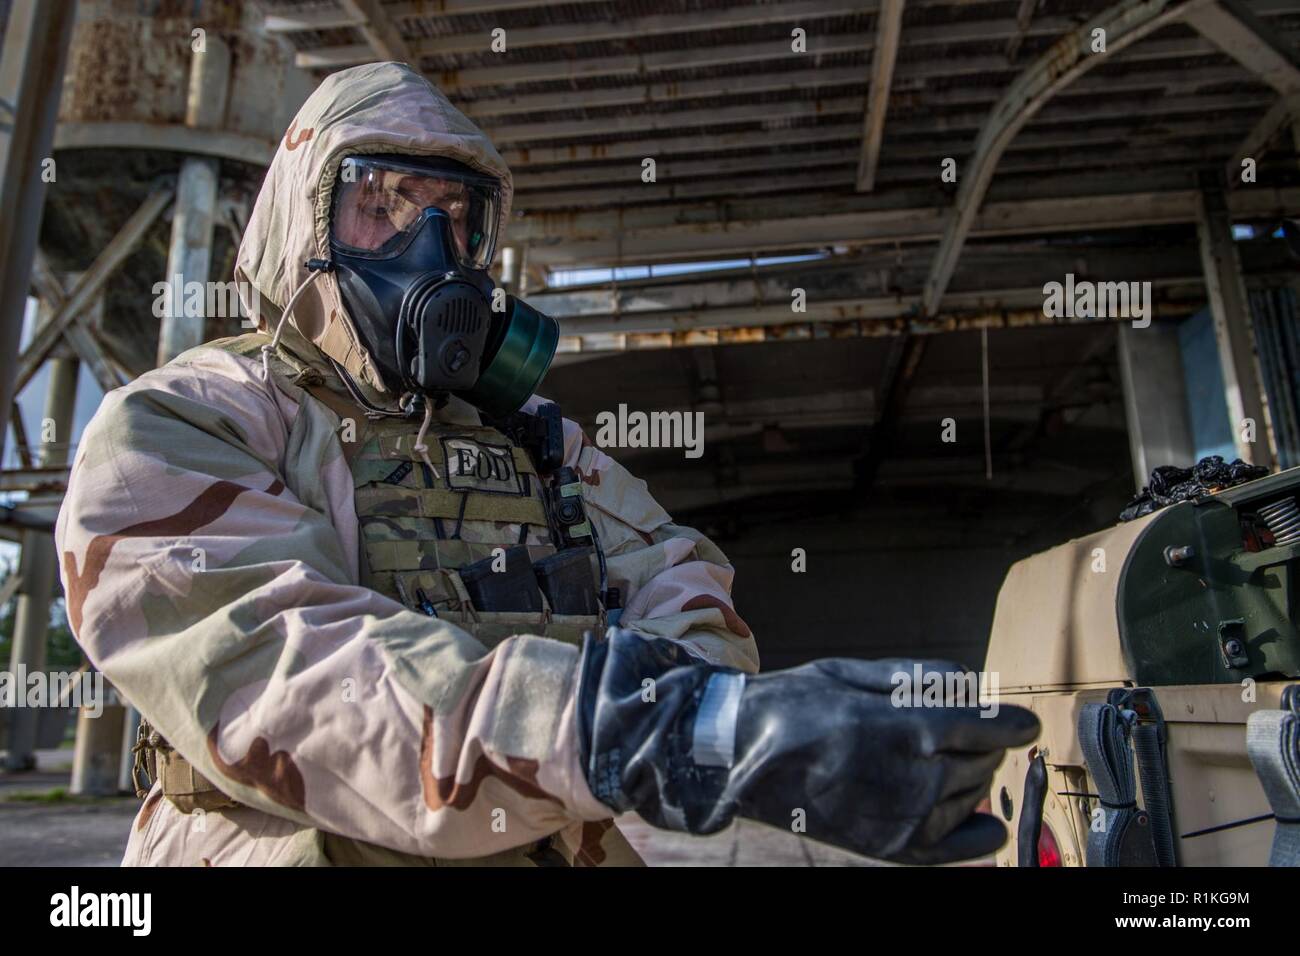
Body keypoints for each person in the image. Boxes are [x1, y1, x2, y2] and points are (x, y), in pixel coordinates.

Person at [55, 62, 1037, 867]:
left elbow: (682, 580)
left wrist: (707, 729)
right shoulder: (185, 420)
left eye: (459, 217)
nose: (430, 246)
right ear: (304, 222)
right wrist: (648, 732)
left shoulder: (532, 437)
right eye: (385, 207)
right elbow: (294, 674)